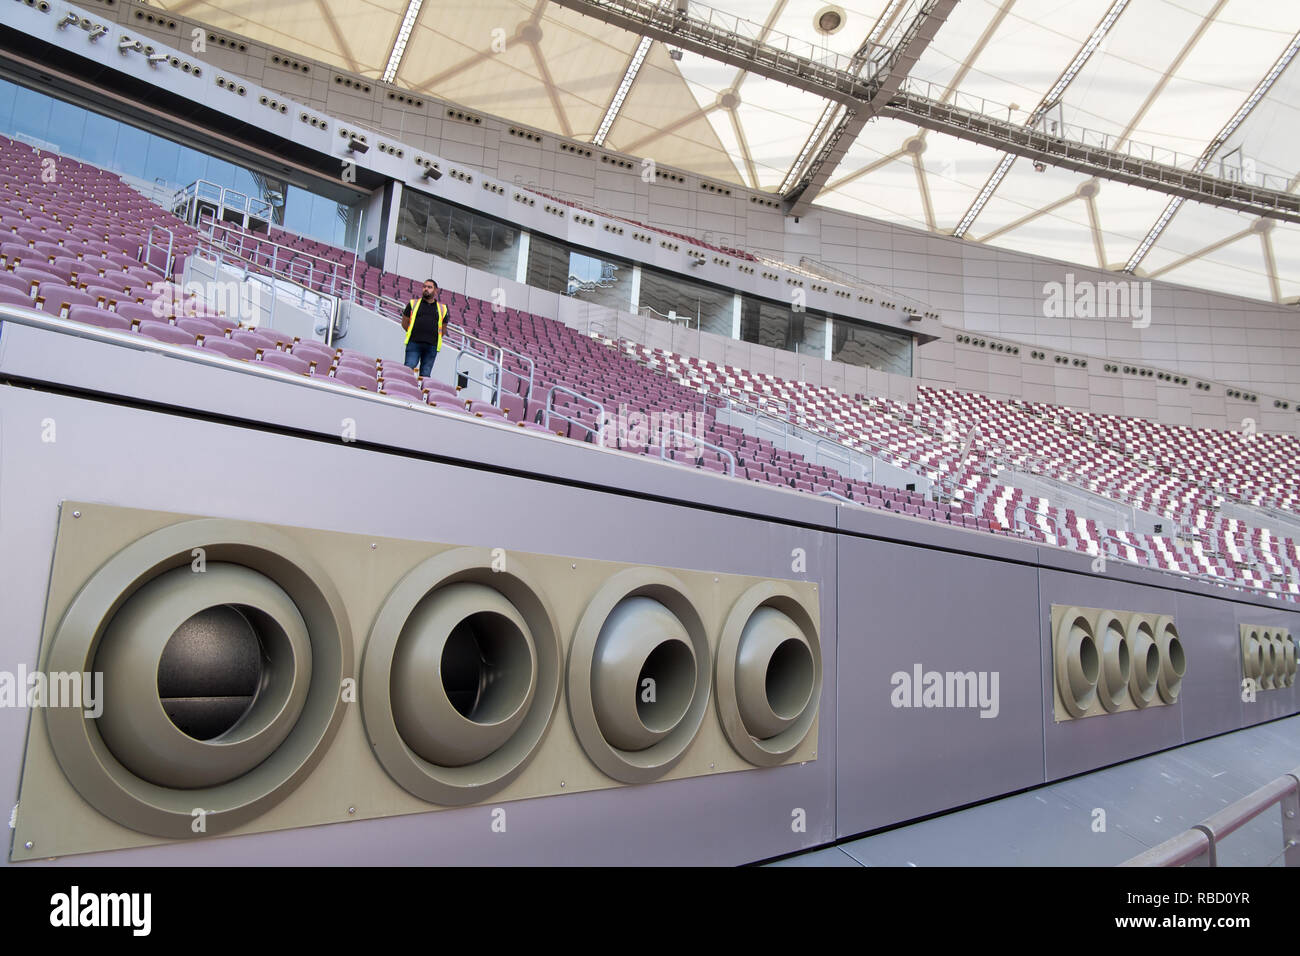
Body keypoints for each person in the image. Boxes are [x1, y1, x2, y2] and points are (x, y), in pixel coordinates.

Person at [402, 279, 448, 377]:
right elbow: (404, 322)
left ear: (436, 290)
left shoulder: (442, 308)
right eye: (424, 286)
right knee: (408, 368)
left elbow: (443, 329)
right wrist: (414, 332)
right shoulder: (413, 303)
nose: (426, 289)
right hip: (414, 343)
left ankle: (421, 392)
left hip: (431, 347)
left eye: (429, 287)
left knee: (425, 375)